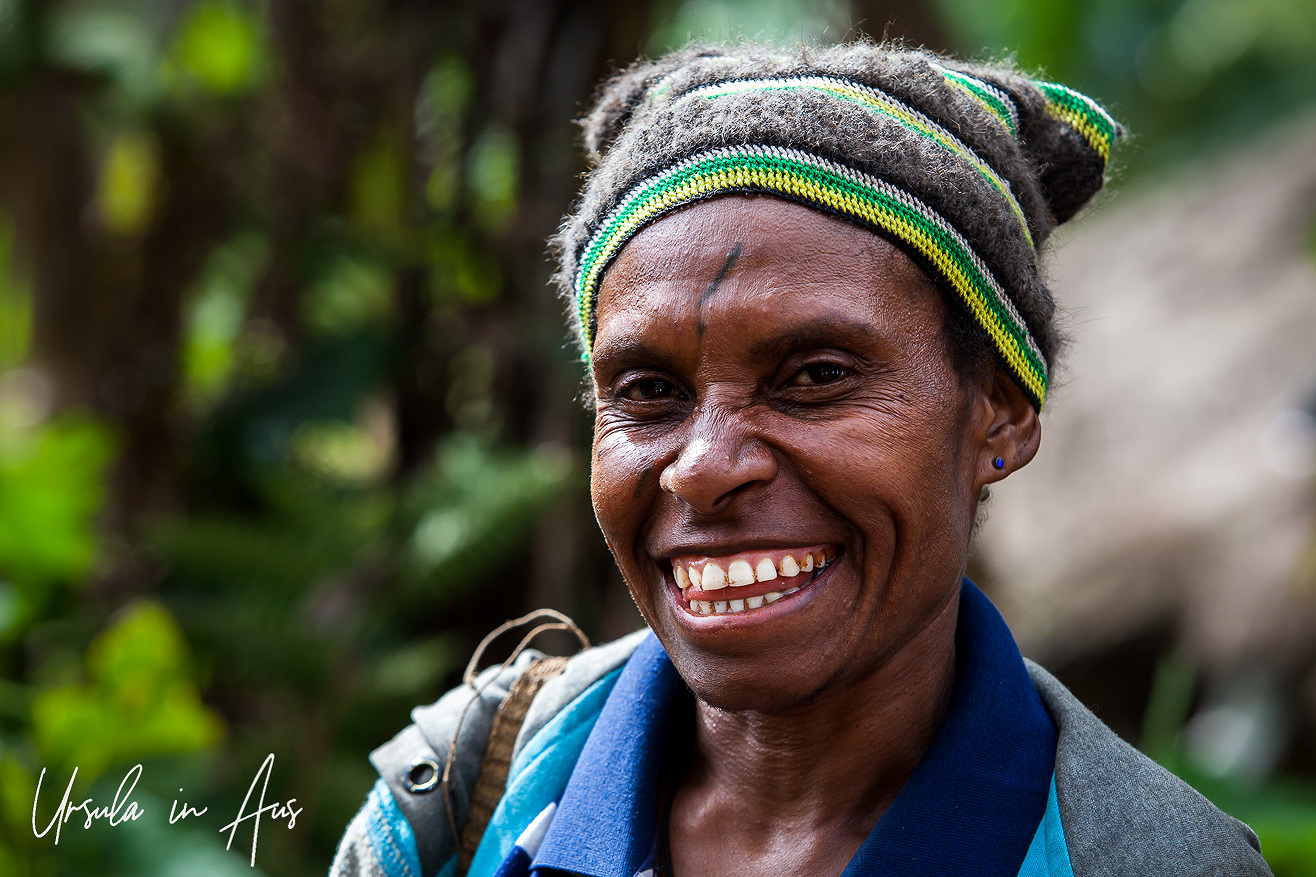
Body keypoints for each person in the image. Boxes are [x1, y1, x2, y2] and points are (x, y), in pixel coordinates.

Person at [331, 42, 1273, 877]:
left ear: (1002, 415)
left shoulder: (1148, 857)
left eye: (816, 376)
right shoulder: (462, 802)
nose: (700, 467)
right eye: (648, 392)